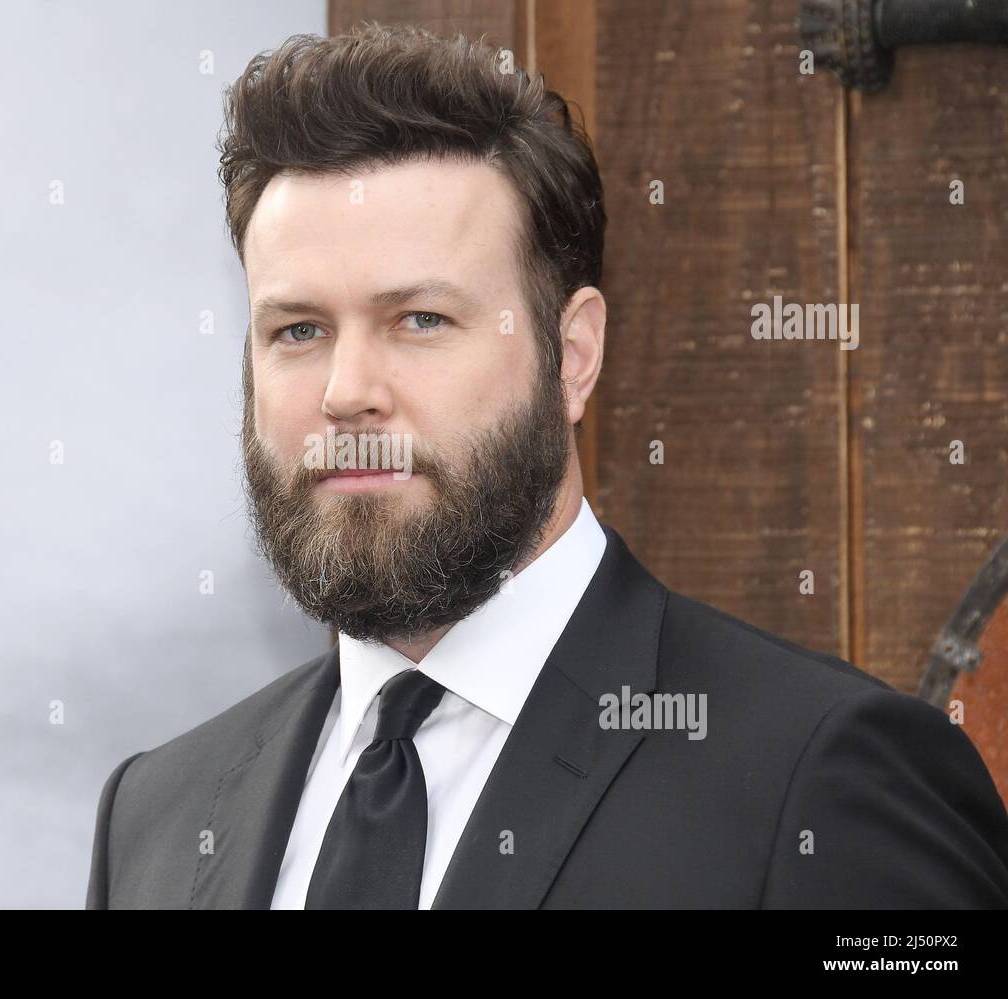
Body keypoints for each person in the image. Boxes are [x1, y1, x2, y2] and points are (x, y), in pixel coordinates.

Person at [86, 23, 1008, 909]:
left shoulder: (817, 777)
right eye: (298, 330)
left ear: (573, 355)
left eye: (420, 320)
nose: (346, 391)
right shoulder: (158, 815)